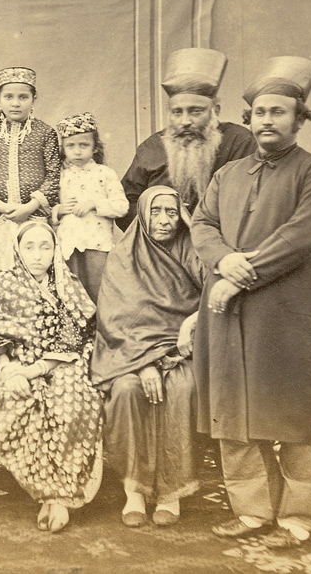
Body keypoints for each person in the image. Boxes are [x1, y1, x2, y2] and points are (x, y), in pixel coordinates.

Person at [191, 57, 311, 549]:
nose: (267, 120)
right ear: (247, 119)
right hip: (228, 310)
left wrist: (241, 276)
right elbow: (203, 225)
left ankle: (302, 516)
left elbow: (300, 236)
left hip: (291, 311)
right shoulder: (227, 174)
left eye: (279, 111)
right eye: (260, 112)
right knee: (234, 417)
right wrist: (224, 263)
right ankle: (251, 513)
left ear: (299, 118)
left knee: (298, 416)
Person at [0, 221, 102, 533]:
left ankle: (59, 495)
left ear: (55, 250)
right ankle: (44, 489)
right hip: (16, 363)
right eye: (29, 246)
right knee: (17, 403)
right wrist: (7, 368)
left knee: (70, 402)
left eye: (45, 247)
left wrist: (38, 369)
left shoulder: (68, 284)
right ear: (17, 249)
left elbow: (79, 335)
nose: (37, 255)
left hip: (61, 362)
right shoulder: (3, 283)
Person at [91, 186, 204, 528]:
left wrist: (194, 230)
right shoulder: (123, 255)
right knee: (126, 391)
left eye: (172, 212)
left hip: (180, 351)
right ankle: (134, 490)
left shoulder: (188, 248)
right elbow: (113, 319)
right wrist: (143, 363)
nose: (165, 221)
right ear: (142, 214)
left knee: (183, 389)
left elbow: (210, 287)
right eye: (156, 212)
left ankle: (171, 491)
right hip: (128, 355)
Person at [118, 48, 256, 229]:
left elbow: (253, 203)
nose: (185, 121)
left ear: (215, 111)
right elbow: (125, 203)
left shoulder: (239, 141)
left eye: (195, 111)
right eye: (177, 112)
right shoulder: (151, 147)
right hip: (161, 246)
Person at [0, 67, 60, 274]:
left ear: (33, 98)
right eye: (9, 97)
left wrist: (30, 207)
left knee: (35, 268)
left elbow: (53, 175)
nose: (15, 103)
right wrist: (1, 206)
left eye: (23, 97)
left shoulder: (45, 133)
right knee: (3, 270)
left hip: (34, 217)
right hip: (0, 220)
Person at [52, 112, 128, 301]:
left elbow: (121, 206)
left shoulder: (105, 173)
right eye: (71, 146)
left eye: (84, 145)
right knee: (71, 292)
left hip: (98, 244)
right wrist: (59, 210)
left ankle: (100, 329)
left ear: (95, 147)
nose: (77, 151)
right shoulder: (60, 176)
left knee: (98, 291)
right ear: (64, 148)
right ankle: (75, 330)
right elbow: (49, 208)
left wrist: (95, 204)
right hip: (68, 243)